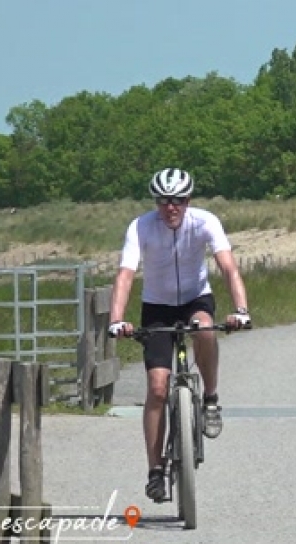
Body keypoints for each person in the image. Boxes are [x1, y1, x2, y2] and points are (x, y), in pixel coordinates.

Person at [107, 168, 252, 503]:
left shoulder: (205, 222)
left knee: (204, 329)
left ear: (189, 200)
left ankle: (211, 399)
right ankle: (155, 471)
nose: (171, 207)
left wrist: (241, 310)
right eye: (163, 201)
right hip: (157, 306)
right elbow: (126, 275)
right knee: (157, 388)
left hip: (195, 299)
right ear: (155, 201)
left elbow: (228, 267)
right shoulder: (141, 226)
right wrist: (117, 319)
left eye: (178, 200)